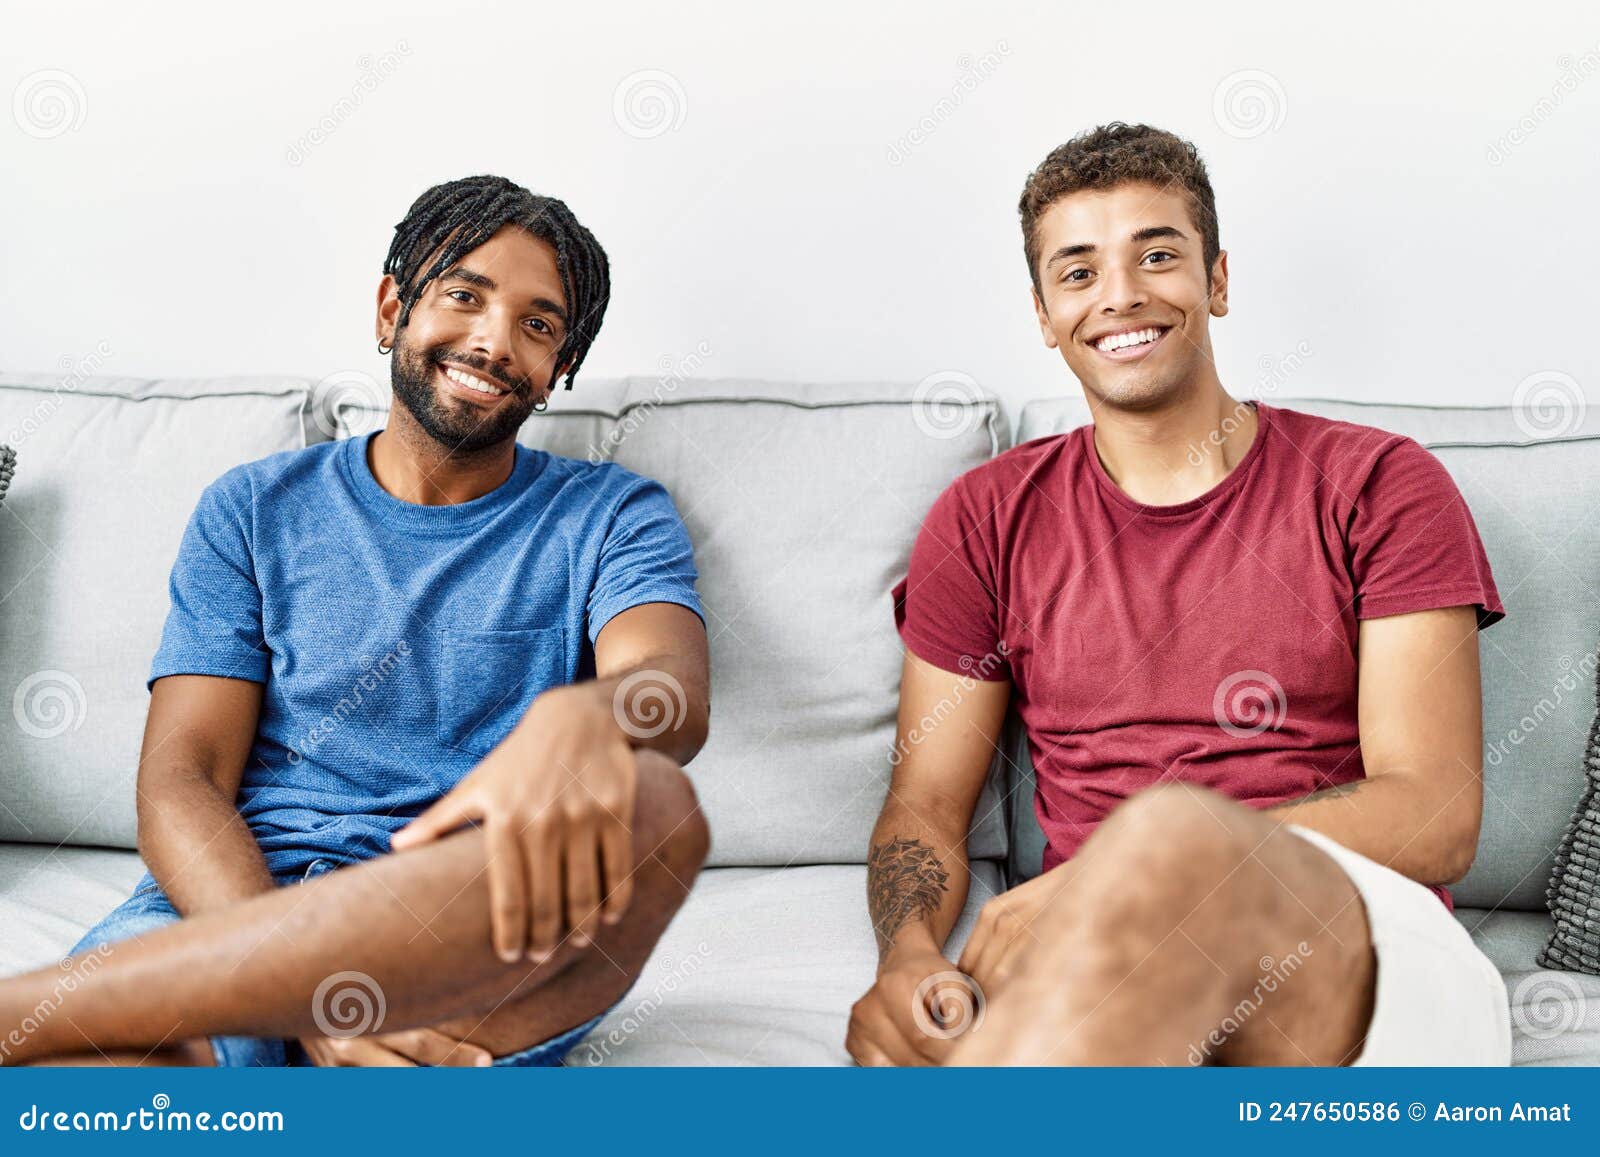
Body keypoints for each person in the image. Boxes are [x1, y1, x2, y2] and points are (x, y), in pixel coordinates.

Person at [0, 175, 710, 1068]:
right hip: (236, 905)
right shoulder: (253, 508)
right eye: (464, 294)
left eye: (539, 323)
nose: (495, 341)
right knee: (101, 1078)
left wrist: (591, 715)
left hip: (458, 913)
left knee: (661, 808)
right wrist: (302, 986)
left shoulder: (611, 514)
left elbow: (668, 693)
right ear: (391, 309)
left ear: (558, 370)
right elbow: (181, 777)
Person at [848, 123, 1510, 1067]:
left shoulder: (1377, 485)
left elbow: (1436, 814)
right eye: (1078, 272)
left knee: (1175, 835)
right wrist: (909, 955)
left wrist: (1139, 871)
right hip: (1109, 980)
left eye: (1157, 255)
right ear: (1043, 313)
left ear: (1219, 280)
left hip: (1360, 948)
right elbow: (925, 802)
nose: (1121, 294)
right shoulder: (984, 519)